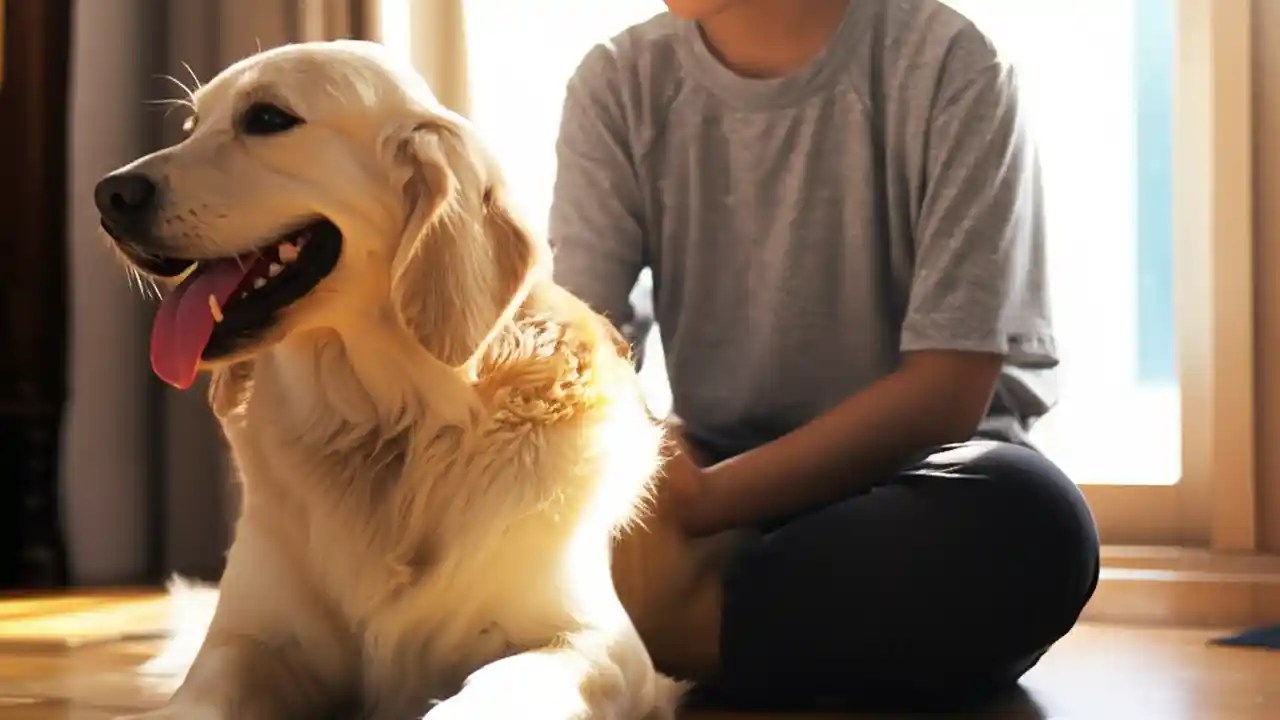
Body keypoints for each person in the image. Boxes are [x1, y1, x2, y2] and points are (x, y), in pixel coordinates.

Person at [547, 0, 1100, 711]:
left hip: (909, 490)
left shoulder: (955, 65)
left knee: (1038, 524)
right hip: (717, 492)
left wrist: (707, 502)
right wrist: (663, 471)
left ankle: (656, 636)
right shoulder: (617, 81)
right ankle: (733, 636)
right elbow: (584, 347)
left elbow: (947, 390)